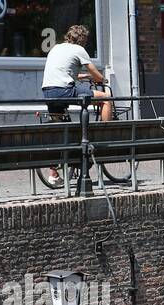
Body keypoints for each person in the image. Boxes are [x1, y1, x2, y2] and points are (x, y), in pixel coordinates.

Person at [40, 25, 111, 187]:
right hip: (64, 90)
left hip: (48, 92)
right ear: (83, 39)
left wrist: (82, 76)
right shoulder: (79, 49)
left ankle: (54, 175)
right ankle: (107, 133)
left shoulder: (56, 48)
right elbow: (95, 72)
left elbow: (64, 72)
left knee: (60, 131)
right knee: (106, 98)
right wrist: (102, 80)